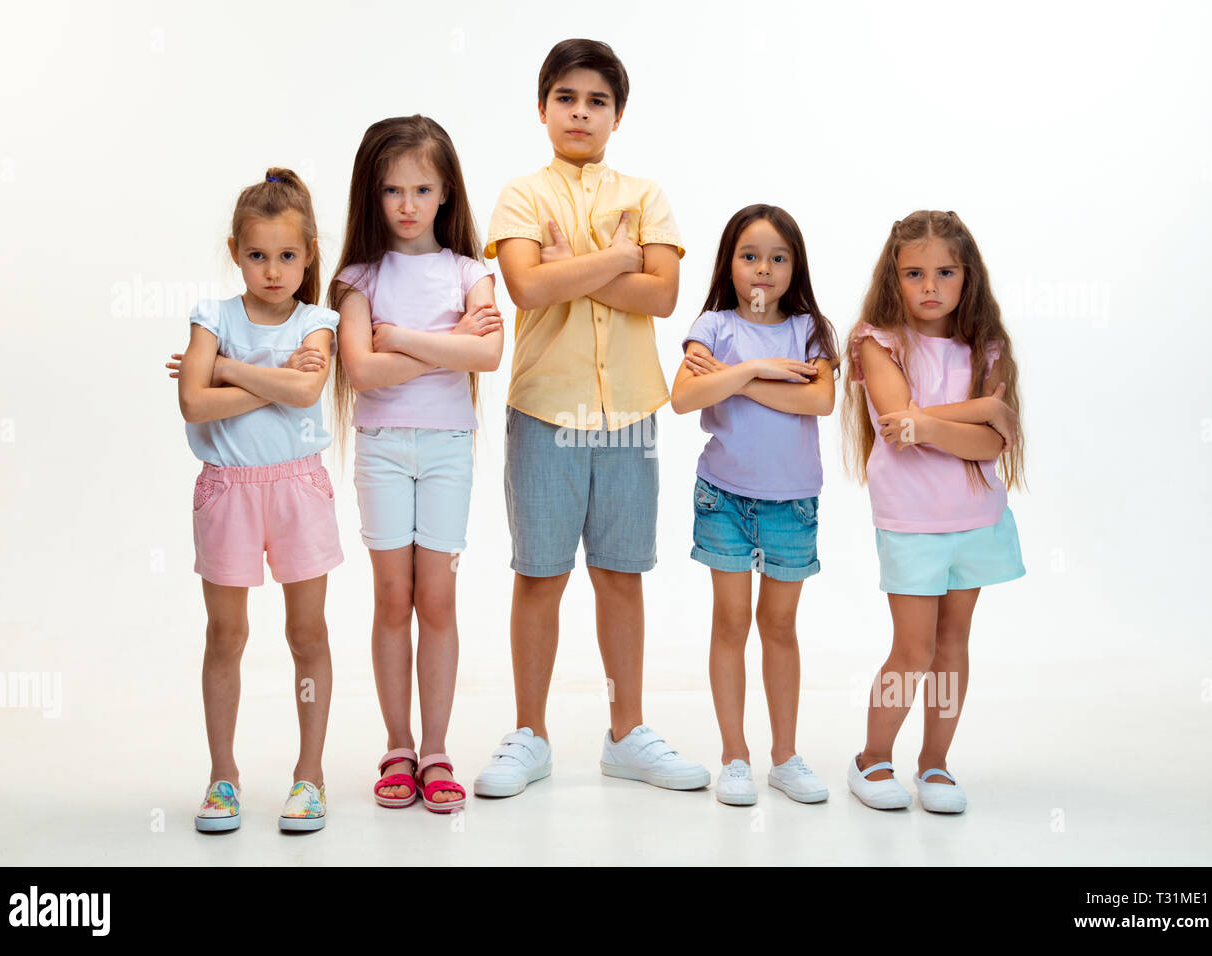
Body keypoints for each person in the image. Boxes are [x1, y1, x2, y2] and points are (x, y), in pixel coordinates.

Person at [475, 38, 708, 796]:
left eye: (597, 101)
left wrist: (570, 266)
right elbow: (527, 290)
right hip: (545, 410)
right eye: (566, 98)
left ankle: (626, 732)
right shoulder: (522, 194)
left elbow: (664, 296)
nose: (580, 112)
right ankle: (531, 735)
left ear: (618, 115)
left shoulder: (646, 196)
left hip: (632, 415)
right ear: (542, 108)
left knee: (620, 576)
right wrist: (619, 259)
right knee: (538, 575)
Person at [330, 116, 502, 813]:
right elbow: (362, 372)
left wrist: (399, 335)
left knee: (438, 598)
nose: (406, 204)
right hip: (381, 451)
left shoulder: (470, 272)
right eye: (392, 190)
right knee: (391, 598)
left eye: (422, 188)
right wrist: (442, 341)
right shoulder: (358, 276)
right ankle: (396, 745)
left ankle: (435, 750)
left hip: (445, 451)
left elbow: (487, 355)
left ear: (445, 193)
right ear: (372, 196)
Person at [169, 168, 342, 832]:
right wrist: (265, 376)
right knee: (226, 634)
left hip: (298, 489)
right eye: (258, 255)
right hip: (228, 494)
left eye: (288, 256)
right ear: (236, 251)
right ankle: (223, 776)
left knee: (307, 634)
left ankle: (310, 774)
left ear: (307, 255)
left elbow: (306, 396)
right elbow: (192, 402)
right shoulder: (211, 316)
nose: (273, 270)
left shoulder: (317, 321)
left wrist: (228, 369)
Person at [842, 210, 1026, 814]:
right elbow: (898, 428)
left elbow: (991, 446)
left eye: (945, 272)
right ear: (893, 279)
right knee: (913, 649)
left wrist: (935, 422)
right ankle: (873, 757)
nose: (929, 286)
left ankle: (936, 763)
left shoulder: (987, 348)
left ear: (966, 277)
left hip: (976, 519)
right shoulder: (878, 342)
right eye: (914, 273)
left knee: (953, 646)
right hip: (912, 521)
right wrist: (980, 411)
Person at [671, 205, 839, 805]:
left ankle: (785, 756)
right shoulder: (712, 325)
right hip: (723, 496)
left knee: (780, 627)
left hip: (792, 502)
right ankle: (734, 755)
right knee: (731, 624)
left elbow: (819, 403)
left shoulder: (810, 329)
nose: (762, 270)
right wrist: (764, 368)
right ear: (729, 264)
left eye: (777, 258)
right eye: (749, 257)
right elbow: (685, 397)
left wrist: (737, 378)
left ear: (795, 267)